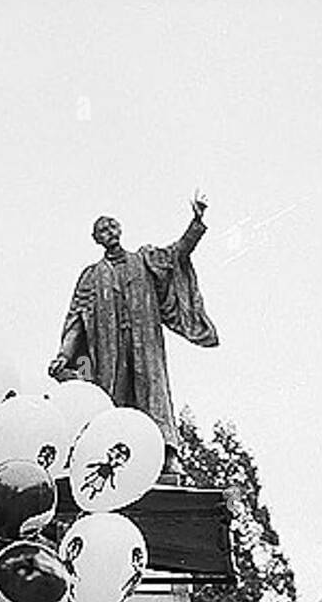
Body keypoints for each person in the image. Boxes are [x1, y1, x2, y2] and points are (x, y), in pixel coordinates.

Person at [49, 193, 219, 474]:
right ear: (97, 239)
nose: (109, 232)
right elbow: (77, 321)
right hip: (109, 349)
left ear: (120, 230)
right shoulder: (91, 276)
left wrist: (196, 222)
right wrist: (63, 355)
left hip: (145, 343)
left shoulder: (145, 260)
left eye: (112, 226)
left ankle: (167, 453)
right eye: (102, 230)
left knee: (153, 395)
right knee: (112, 400)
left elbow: (179, 253)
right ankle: (113, 457)